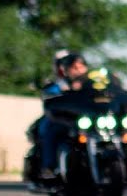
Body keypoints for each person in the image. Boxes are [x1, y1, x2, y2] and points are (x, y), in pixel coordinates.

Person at [35, 51, 88, 180]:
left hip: (88, 120)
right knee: (51, 131)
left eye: (81, 66)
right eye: (74, 67)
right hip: (66, 121)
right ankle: (49, 167)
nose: (78, 71)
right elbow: (49, 98)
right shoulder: (59, 85)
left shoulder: (91, 84)